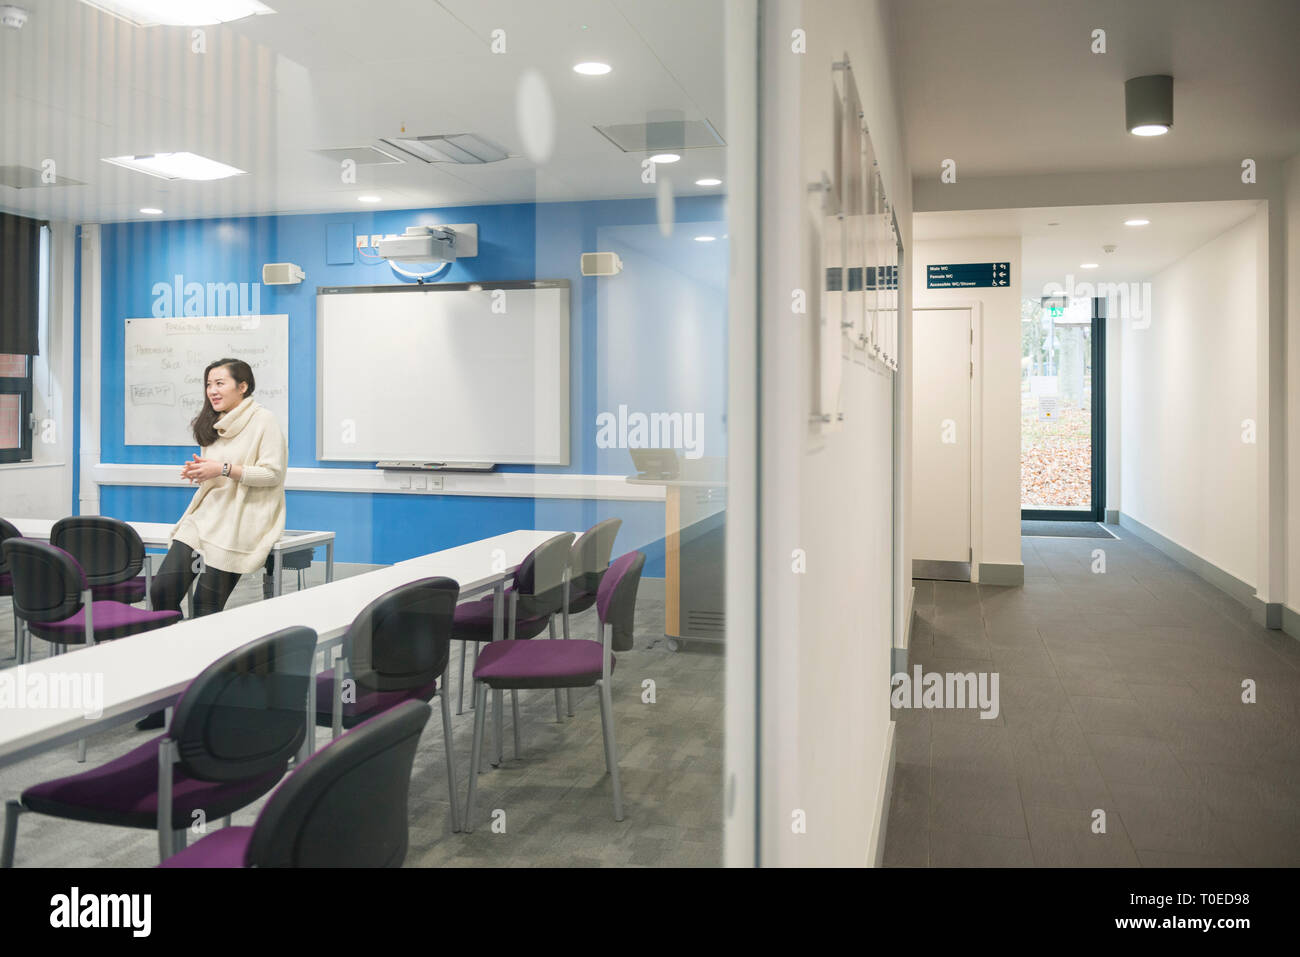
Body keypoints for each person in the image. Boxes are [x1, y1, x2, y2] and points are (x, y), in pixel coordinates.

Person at [137, 357, 287, 729]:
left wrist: (222, 470)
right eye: (208, 384)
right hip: (203, 520)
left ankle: (202, 698)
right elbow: (216, 476)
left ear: (244, 386)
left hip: (240, 523)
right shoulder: (214, 425)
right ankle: (171, 689)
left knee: (206, 607)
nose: (213, 391)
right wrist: (201, 473)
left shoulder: (263, 421)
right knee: (162, 593)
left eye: (220, 383)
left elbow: (272, 475)